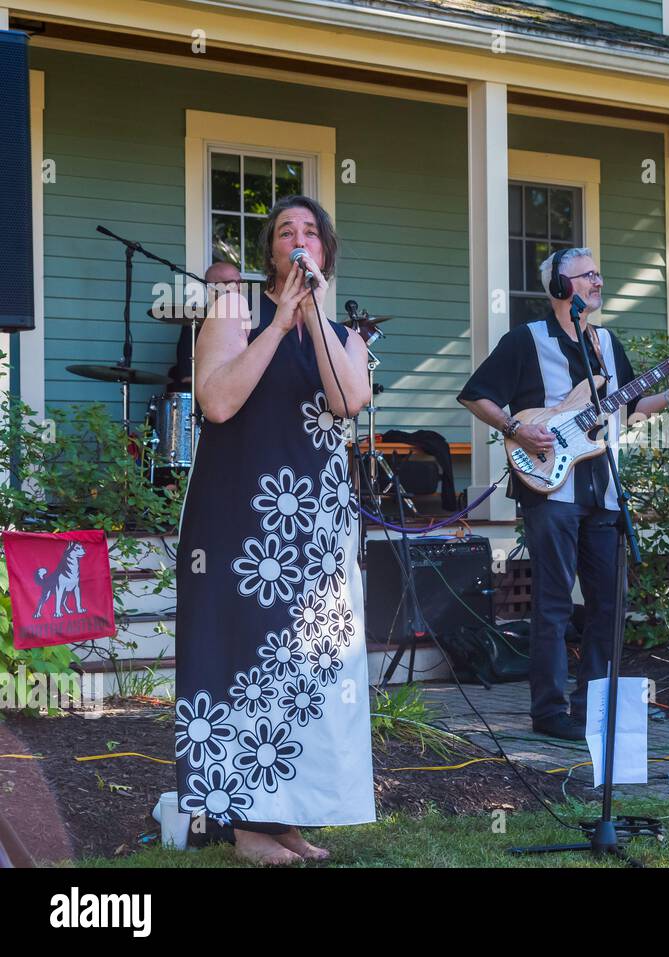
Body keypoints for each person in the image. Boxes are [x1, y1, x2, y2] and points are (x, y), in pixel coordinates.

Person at [175, 195, 375, 864]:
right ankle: (246, 826)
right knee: (242, 658)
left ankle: (287, 816)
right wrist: (278, 319)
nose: (298, 240)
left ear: (325, 252)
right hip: (243, 522)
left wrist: (312, 319)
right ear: (269, 251)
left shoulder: (343, 334)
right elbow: (219, 398)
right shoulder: (235, 308)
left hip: (315, 525)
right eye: (285, 231)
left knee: (307, 666)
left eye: (310, 232)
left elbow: (347, 400)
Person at [458, 247, 669, 740]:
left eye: (599, 274)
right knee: (554, 601)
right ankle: (548, 712)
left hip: (603, 491)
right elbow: (475, 394)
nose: (598, 282)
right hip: (549, 488)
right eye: (588, 276)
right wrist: (515, 428)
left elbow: (628, 409)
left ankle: (594, 707)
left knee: (608, 603)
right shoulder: (527, 340)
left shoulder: (605, 342)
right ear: (561, 287)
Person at [168, 261, 241, 390]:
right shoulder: (195, 322)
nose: (238, 288)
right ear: (212, 289)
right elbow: (187, 376)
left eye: (240, 282)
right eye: (231, 283)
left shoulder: (248, 319)